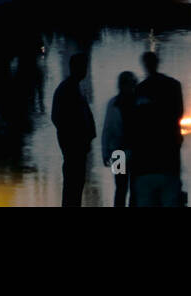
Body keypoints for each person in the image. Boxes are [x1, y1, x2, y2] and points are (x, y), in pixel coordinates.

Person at [132, 51, 186, 206]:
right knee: (169, 197)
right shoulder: (173, 85)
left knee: (144, 197)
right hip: (168, 154)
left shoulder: (139, 90)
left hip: (146, 158)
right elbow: (179, 113)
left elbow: (131, 126)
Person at [51, 53, 95, 207]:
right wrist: (74, 139)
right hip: (73, 150)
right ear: (75, 68)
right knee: (73, 187)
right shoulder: (68, 90)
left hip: (76, 149)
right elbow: (58, 118)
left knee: (74, 187)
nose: (86, 70)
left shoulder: (73, 88)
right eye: (83, 67)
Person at [101, 71, 136, 207]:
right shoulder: (114, 104)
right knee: (121, 187)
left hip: (133, 152)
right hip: (119, 152)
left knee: (132, 189)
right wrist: (105, 152)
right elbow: (107, 130)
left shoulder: (135, 102)